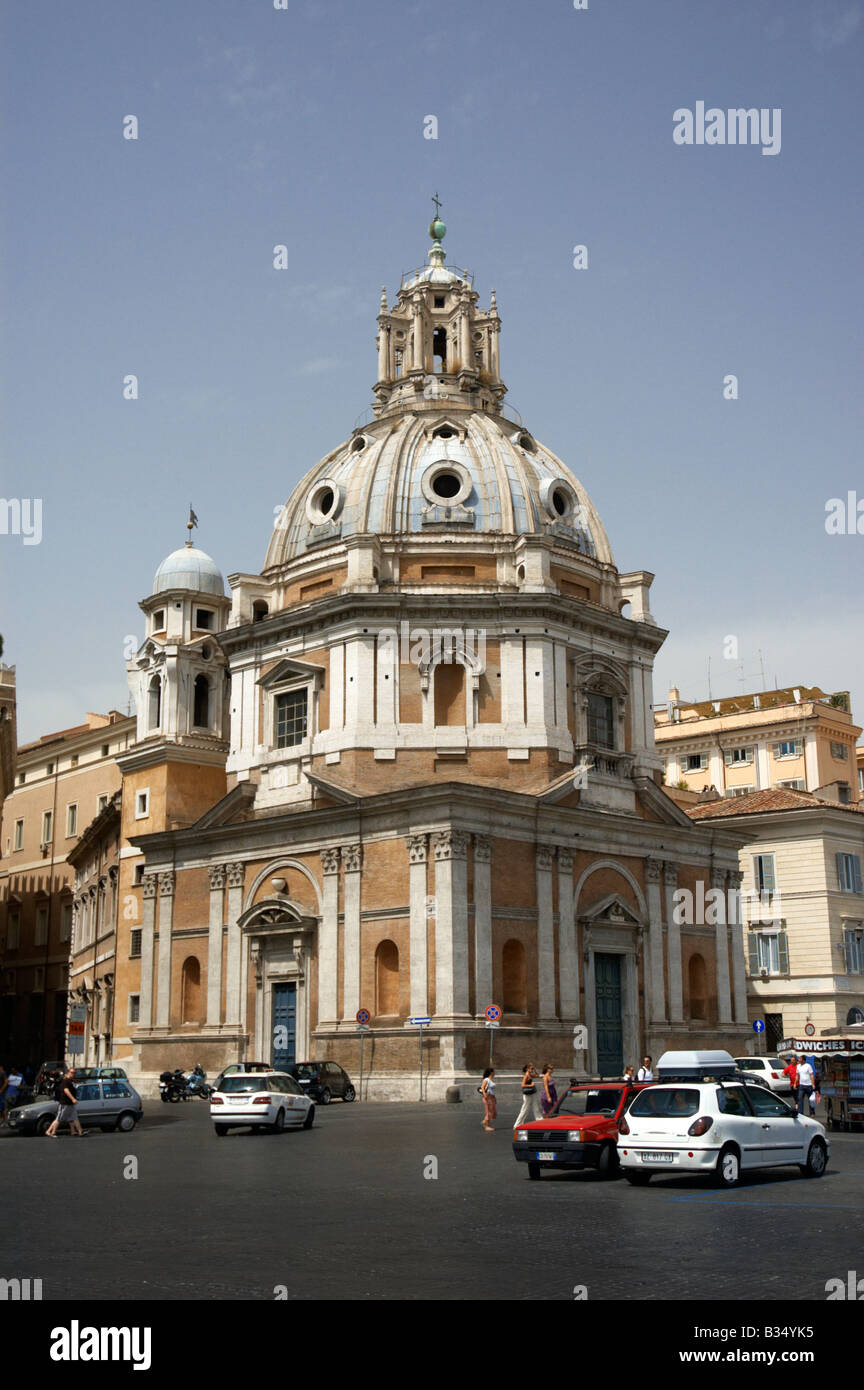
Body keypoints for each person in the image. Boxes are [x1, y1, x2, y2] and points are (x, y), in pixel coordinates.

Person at [45, 1067, 83, 1138]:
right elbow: (66, 1090)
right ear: (68, 1072)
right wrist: (73, 1099)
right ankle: (51, 1132)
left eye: (74, 1073)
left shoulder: (70, 1081)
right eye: (72, 1072)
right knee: (59, 1118)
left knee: (75, 1118)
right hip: (65, 1103)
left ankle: (80, 1131)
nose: (73, 1074)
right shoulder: (65, 1081)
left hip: (70, 1104)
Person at [479, 1067, 497, 1131]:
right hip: (488, 1097)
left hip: (492, 1097)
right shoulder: (486, 1079)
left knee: (493, 1112)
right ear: (491, 1072)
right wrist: (485, 1095)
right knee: (489, 1112)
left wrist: (494, 1098)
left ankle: (485, 1121)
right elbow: (482, 1087)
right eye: (494, 1072)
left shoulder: (490, 1080)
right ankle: (487, 1126)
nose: (495, 1073)